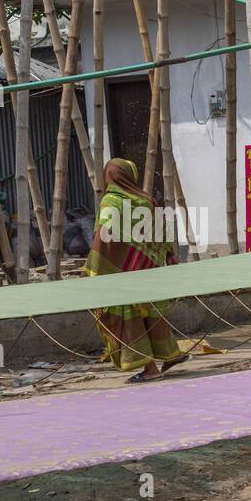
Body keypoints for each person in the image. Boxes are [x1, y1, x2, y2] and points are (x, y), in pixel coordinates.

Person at [84, 158, 187, 383]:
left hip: (123, 274)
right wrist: (167, 255)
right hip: (149, 270)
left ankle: (150, 369)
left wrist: (96, 269)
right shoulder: (146, 200)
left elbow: (105, 237)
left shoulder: (112, 201)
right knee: (153, 316)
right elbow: (161, 232)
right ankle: (171, 355)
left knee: (129, 321)